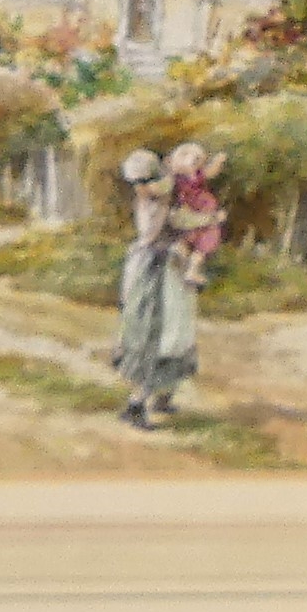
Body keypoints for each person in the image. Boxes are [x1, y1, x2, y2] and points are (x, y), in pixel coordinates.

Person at [110, 148, 198, 429]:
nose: (144, 188)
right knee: (155, 336)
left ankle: (163, 396)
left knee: (177, 333)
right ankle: (137, 405)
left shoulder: (165, 196)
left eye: (149, 181)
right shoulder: (154, 204)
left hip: (169, 271)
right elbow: (155, 233)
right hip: (154, 272)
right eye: (140, 184)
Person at [165, 141, 228, 288]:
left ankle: (190, 267)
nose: (195, 163)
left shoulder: (197, 175)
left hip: (204, 211)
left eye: (197, 160)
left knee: (201, 239)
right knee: (197, 236)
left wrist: (218, 161)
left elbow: (211, 171)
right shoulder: (178, 178)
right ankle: (186, 260)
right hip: (194, 211)